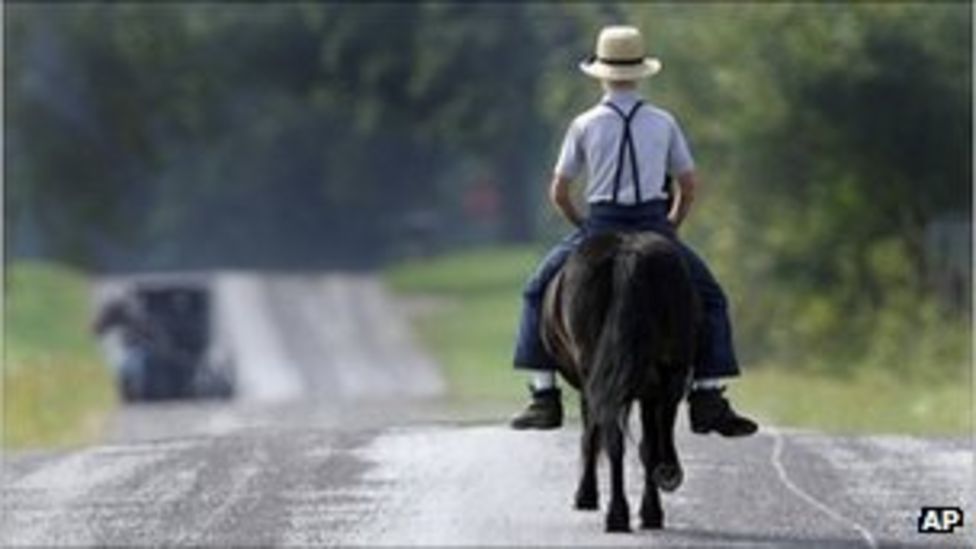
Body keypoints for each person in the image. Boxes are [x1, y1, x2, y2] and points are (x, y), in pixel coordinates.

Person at [509, 25, 758, 437]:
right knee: (712, 299)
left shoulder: (584, 124)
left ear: (601, 74)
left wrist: (582, 225)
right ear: (641, 73)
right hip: (653, 223)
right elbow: (689, 185)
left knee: (536, 291)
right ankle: (708, 394)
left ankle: (544, 396)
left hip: (600, 223)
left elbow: (559, 191)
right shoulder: (663, 122)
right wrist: (671, 224)